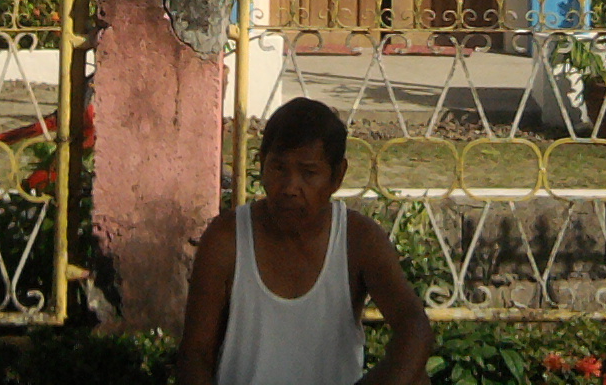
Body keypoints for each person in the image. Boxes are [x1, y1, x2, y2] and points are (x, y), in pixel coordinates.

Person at [178, 97, 431, 385]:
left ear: (337, 176)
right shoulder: (227, 238)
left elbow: (414, 326)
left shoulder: (359, 241)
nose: (289, 188)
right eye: (278, 169)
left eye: (308, 173)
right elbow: (194, 355)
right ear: (261, 165)